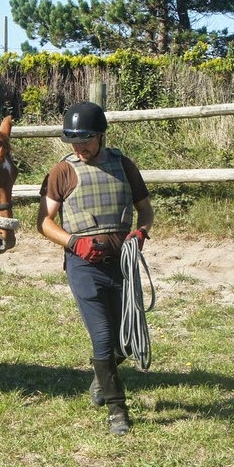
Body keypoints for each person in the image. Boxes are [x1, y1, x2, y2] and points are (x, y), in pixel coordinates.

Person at [36, 101, 154, 436]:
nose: (80, 147)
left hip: (122, 263)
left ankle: (101, 379)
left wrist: (141, 231)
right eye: (74, 141)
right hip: (84, 265)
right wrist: (74, 243)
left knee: (125, 342)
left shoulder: (123, 165)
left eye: (86, 140)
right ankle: (118, 410)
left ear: (101, 135)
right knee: (102, 338)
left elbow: (145, 210)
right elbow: (44, 222)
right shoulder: (62, 172)